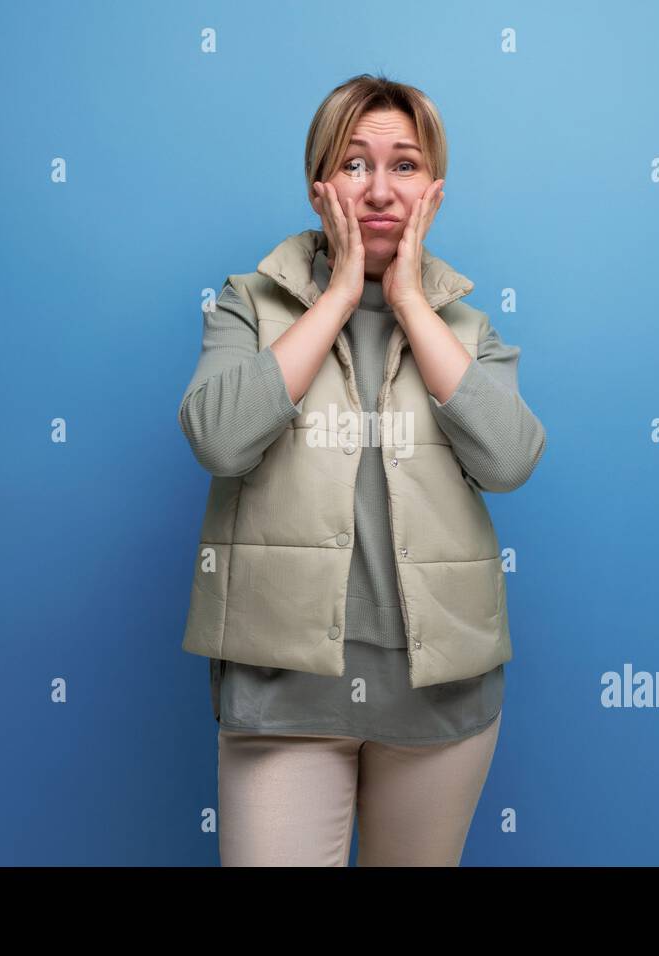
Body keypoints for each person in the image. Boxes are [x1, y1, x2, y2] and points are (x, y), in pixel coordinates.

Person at [177, 73, 546, 866]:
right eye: (354, 163)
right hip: (284, 697)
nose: (379, 189)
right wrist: (340, 294)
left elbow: (511, 459)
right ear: (319, 187)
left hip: (438, 705)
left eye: (404, 166)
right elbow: (218, 438)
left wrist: (411, 304)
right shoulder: (247, 302)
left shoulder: (468, 327)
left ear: (433, 191)